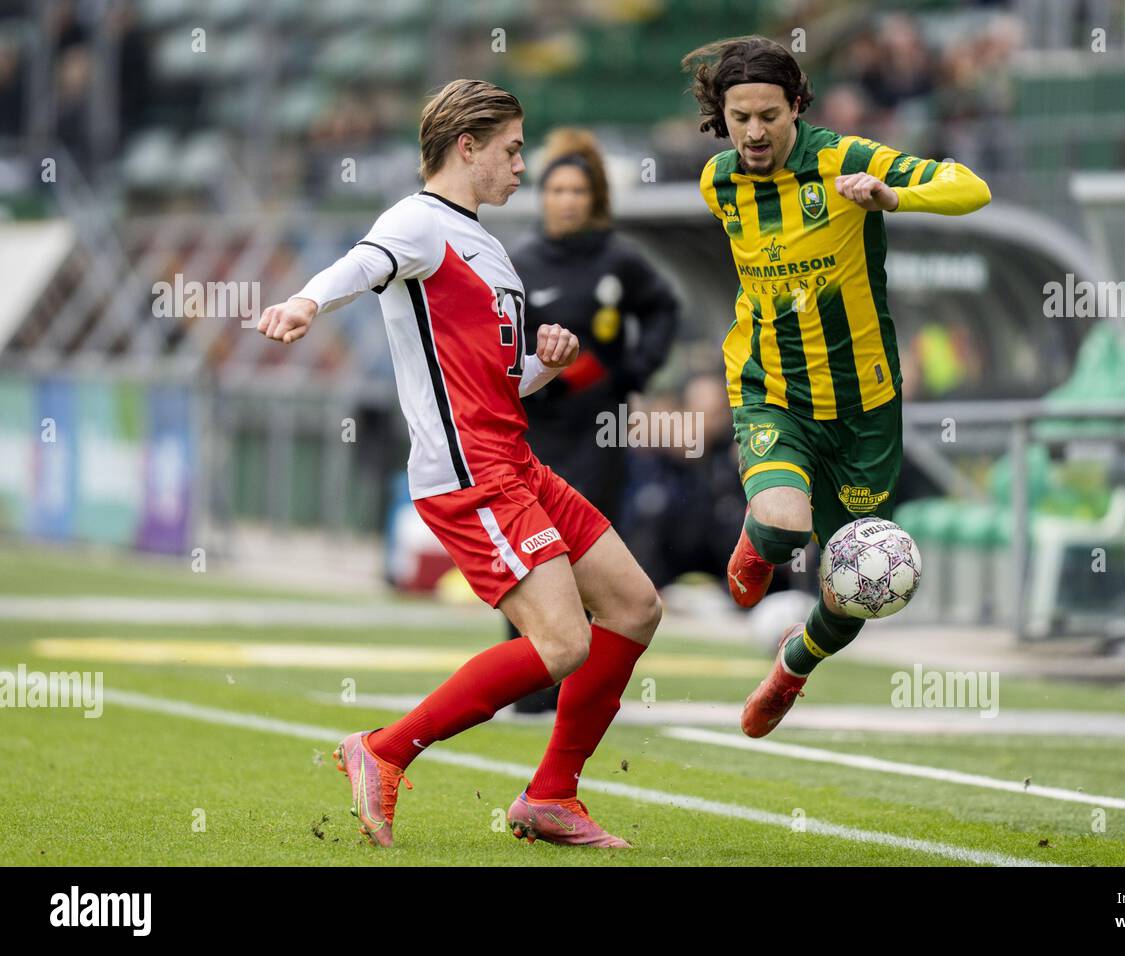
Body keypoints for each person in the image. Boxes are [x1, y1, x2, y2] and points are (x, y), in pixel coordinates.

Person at [256, 79, 662, 849]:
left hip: (516, 459)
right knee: (563, 643)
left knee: (636, 606)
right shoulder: (417, 222)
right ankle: (382, 749)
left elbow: (499, 383)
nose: (522, 166)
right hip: (471, 473)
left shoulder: (488, 246)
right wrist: (308, 302)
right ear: (466, 147)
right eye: (511, 150)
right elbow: (362, 263)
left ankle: (550, 797)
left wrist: (547, 361)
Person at [682, 36, 990, 737]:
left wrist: (892, 197)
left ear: (796, 107)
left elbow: (973, 186)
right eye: (740, 119)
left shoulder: (845, 159)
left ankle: (793, 666)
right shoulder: (718, 183)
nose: (755, 133)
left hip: (864, 405)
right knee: (782, 524)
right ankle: (758, 541)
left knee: (859, 581)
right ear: (721, 118)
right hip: (773, 389)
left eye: (769, 115)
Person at [503, 127, 680, 714]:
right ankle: (528, 671)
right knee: (533, 545)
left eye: (579, 191)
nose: (568, 201)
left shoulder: (619, 259)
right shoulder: (519, 262)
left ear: (595, 197)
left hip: (600, 429)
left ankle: (577, 681)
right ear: (543, 197)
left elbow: (663, 309)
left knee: (588, 546)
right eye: (557, 190)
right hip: (538, 430)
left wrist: (635, 371)